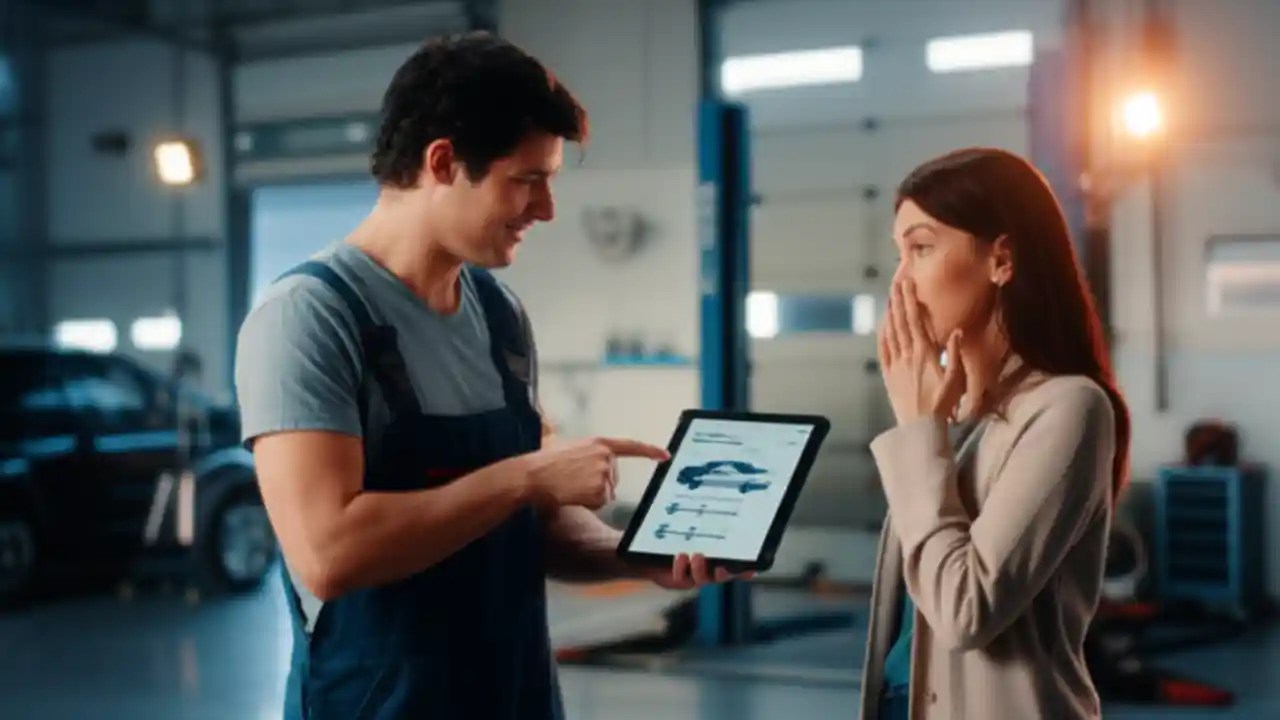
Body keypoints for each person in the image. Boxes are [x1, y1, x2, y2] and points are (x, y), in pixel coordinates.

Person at [234, 32, 744, 720]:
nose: (546, 209)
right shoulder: (307, 318)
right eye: (527, 180)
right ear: (442, 162)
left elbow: (538, 528)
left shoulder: (500, 315)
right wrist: (527, 476)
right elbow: (328, 550)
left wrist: (637, 554)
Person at [859, 147, 1131, 720]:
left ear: (1001, 259)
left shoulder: (1069, 408)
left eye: (922, 248)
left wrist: (919, 430)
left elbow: (964, 612)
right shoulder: (954, 421)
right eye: (899, 254)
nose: (901, 283)